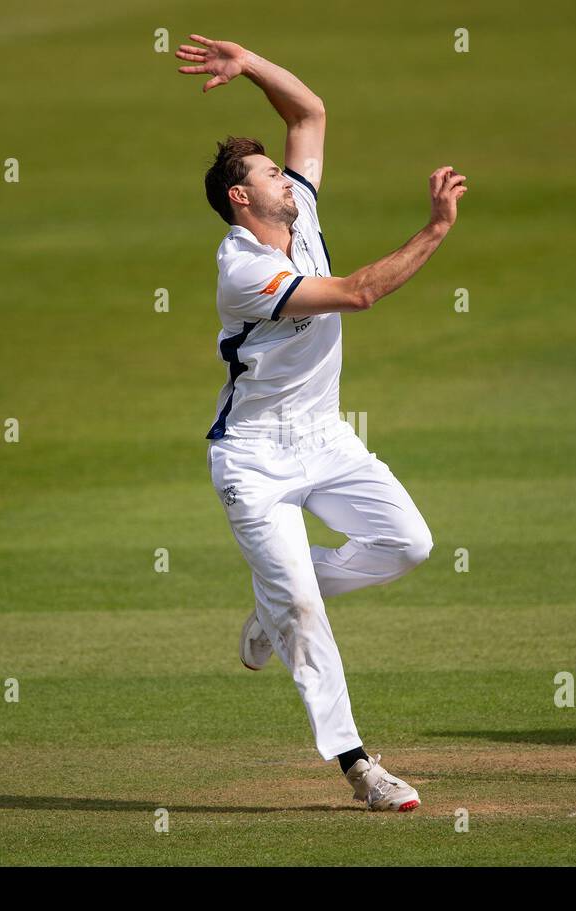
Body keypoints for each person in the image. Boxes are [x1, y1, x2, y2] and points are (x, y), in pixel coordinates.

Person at [177, 34, 467, 812]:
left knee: (408, 543)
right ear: (242, 199)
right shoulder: (244, 270)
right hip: (253, 461)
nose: (286, 176)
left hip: (326, 437)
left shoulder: (298, 212)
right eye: (270, 172)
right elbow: (358, 295)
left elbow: (308, 110)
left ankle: (272, 609)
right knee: (304, 607)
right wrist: (434, 231)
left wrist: (249, 65)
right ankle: (359, 766)